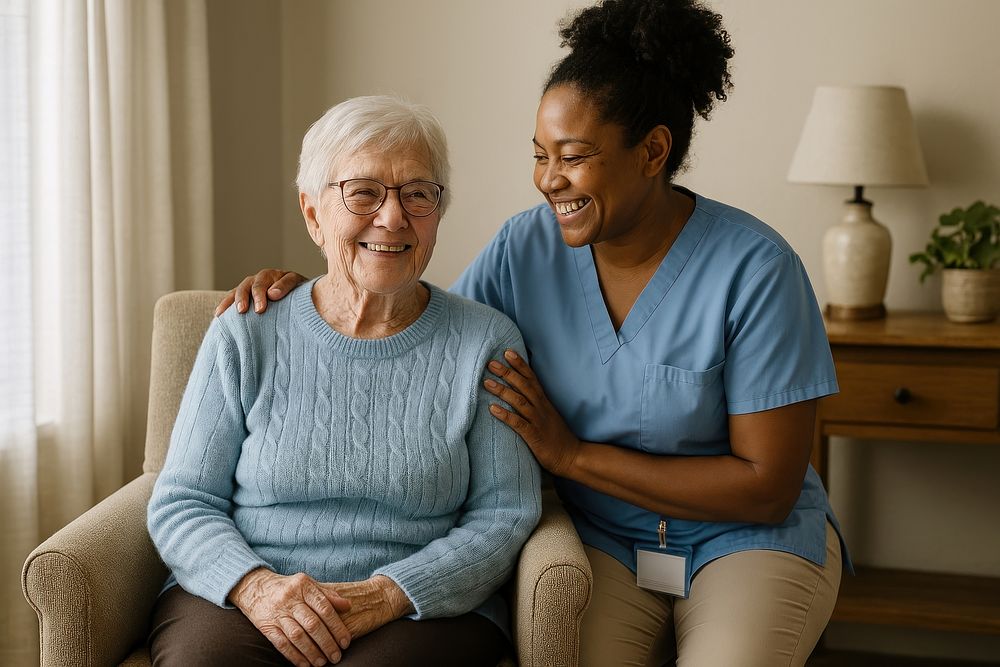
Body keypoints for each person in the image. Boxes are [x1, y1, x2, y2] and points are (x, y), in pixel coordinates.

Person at [219, 1, 850, 664]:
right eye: (539, 155)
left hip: (745, 541)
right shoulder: (526, 248)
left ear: (654, 151)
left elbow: (766, 485)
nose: (550, 180)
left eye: (573, 156)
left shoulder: (757, 270)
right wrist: (320, 281)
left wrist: (573, 457)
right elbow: (424, 334)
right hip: (603, 541)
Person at [147, 95, 542, 667]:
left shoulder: (485, 342)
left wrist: (389, 593)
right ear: (313, 213)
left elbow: (504, 515)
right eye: (362, 192)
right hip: (245, 592)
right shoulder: (247, 331)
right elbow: (183, 499)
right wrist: (256, 587)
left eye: (417, 194)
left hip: (413, 604)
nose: (392, 217)